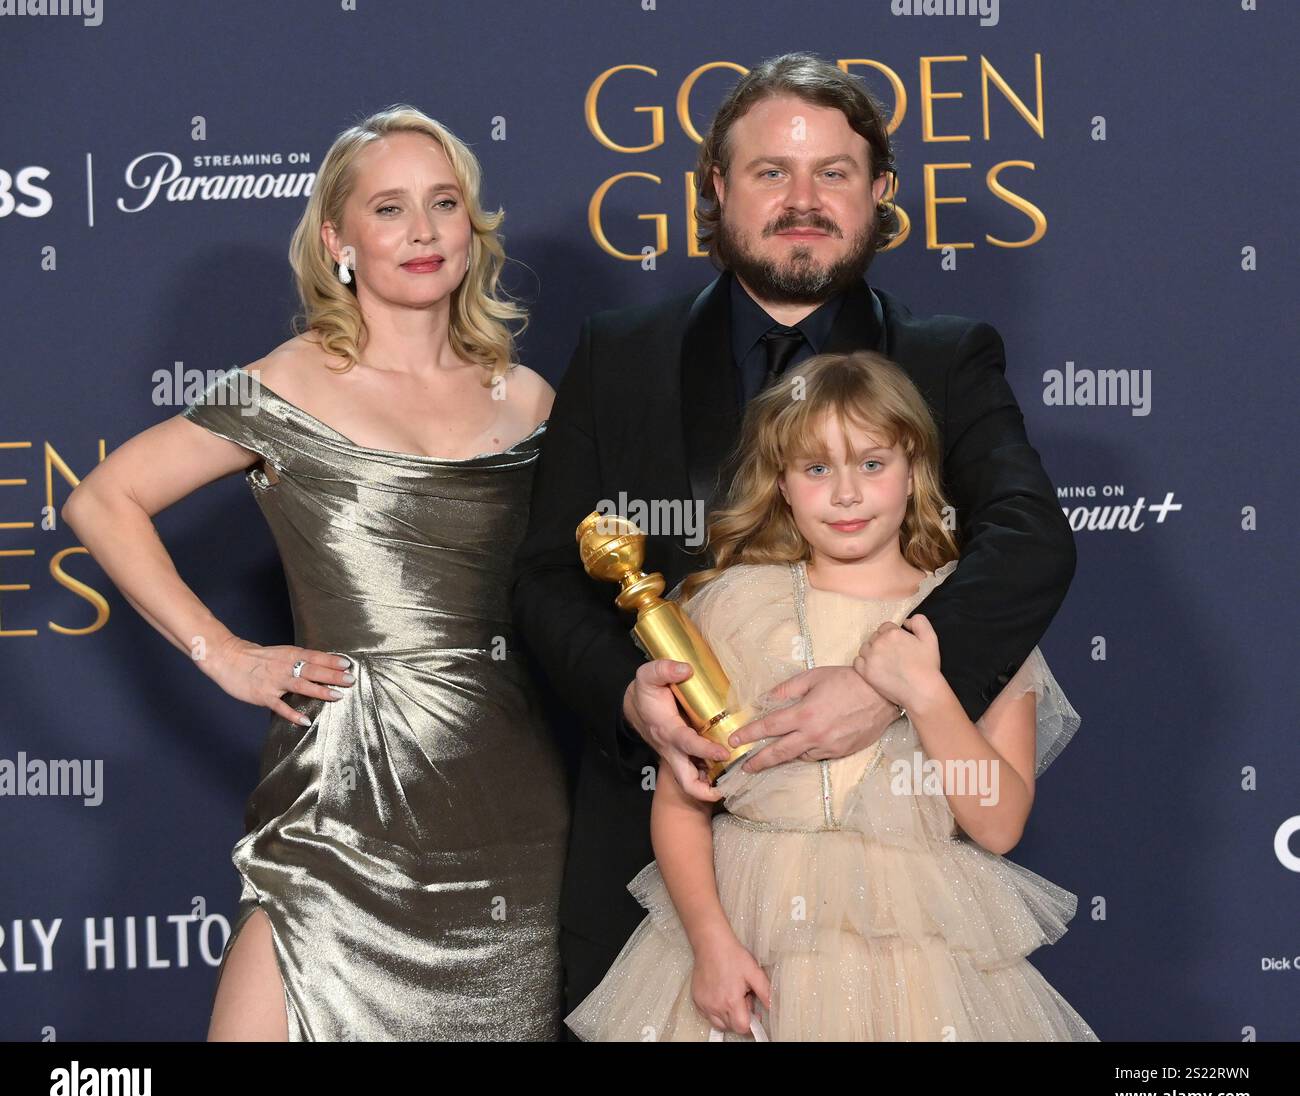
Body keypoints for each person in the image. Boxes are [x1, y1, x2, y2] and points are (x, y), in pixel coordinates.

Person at [511, 52, 1077, 1022]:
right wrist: (630, 699)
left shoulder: (947, 355)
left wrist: (881, 680)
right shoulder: (619, 352)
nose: (802, 199)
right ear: (716, 189)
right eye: (771, 171)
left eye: (834, 173)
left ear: (881, 193)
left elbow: (1029, 538)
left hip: (895, 867)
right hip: (657, 850)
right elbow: (548, 580)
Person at [62, 105, 569, 1041]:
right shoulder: (291, 382)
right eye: (388, 208)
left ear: (471, 227)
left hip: (514, 811)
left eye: (443, 203)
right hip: (342, 795)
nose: (421, 230)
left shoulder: (528, 396)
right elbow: (101, 501)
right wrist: (226, 654)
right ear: (338, 240)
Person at [566, 351, 1096, 1040]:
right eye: (817, 469)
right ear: (782, 483)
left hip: (917, 957)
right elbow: (681, 804)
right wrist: (710, 944)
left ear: (914, 470)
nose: (846, 494)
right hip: (749, 936)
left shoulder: (971, 618)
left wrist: (927, 692)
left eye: (872, 464)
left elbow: (998, 823)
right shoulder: (733, 607)